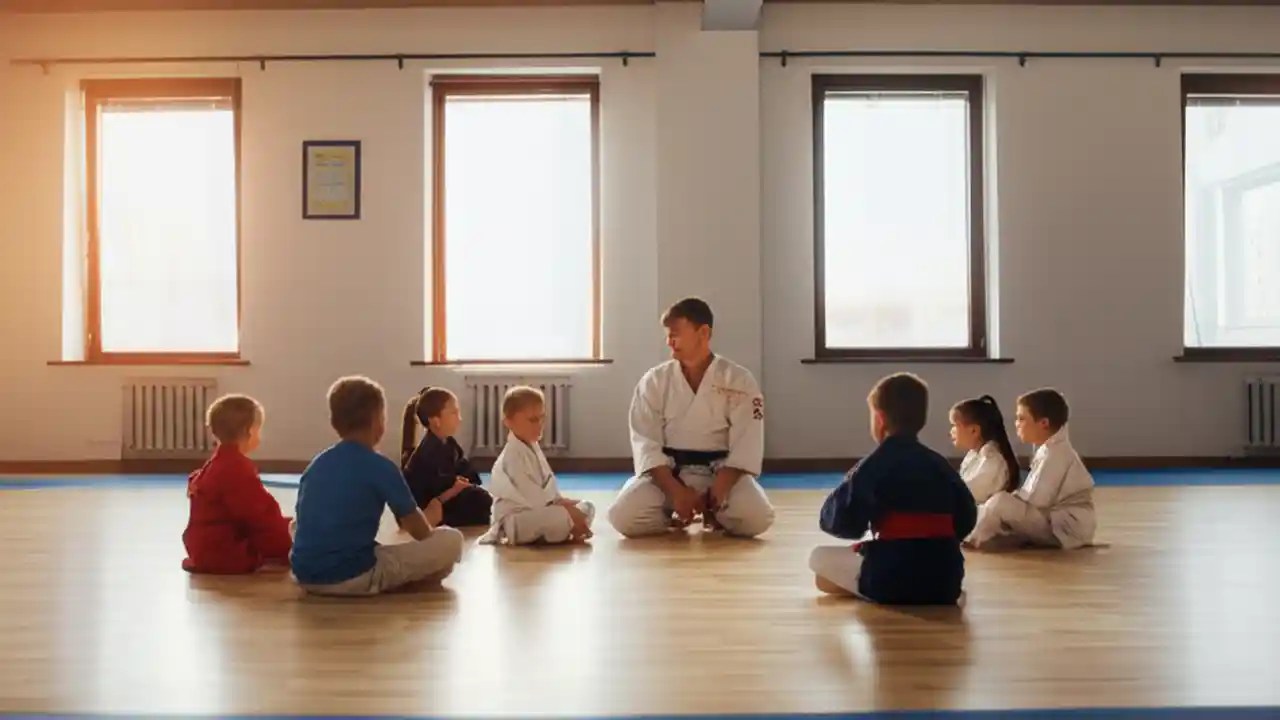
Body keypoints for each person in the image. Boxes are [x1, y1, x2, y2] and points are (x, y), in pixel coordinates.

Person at [607, 297, 774, 538]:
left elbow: (747, 442)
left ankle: (714, 514)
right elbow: (646, 442)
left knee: (757, 518)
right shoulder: (655, 381)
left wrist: (719, 491)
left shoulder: (739, 380)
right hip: (670, 474)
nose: (669, 341)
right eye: (667, 335)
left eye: (675, 334)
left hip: (721, 473)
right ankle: (676, 516)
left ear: (703, 333)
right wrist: (676, 493)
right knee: (623, 517)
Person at [809, 373, 977, 605]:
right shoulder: (940, 464)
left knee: (819, 561)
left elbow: (843, 523)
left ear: (880, 419)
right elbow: (967, 518)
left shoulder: (873, 465)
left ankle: (888, 589)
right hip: (946, 581)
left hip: (889, 577)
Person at [290, 376, 463, 596]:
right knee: (451, 540)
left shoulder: (316, 464)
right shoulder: (381, 466)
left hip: (305, 575)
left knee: (297, 525)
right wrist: (431, 527)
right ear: (378, 421)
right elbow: (419, 531)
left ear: (334, 422)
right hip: (354, 576)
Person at [966, 388, 1096, 551]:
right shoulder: (1049, 449)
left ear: (1043, 423)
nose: (1016, 424)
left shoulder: (1056, 454)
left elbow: (1038, 500)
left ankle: (974, 538)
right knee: (996, 505)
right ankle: (980, 535)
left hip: (1066, 528)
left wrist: (1008, 502)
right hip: (1057, 522)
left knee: (1000, 502)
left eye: (1021, 419)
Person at [181, 394, 292, 574]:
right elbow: (260, 517)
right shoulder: (235, 467)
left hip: (203, 548)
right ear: (250, 431)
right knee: (297, 533)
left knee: (290, 527)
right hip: (225, 552)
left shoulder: (217, 464)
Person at [479, 386, 594, 545]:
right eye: (532, 420)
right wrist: (567, 510)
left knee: (587, 506)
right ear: (508, 422)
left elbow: (548, 487)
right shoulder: (512, 456)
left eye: (542, 418)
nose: (539, 424)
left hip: (539, 511)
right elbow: (534, 501)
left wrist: (564, 502)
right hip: (517, 520)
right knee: (565, 515)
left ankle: (562, 527)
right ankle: (561, 528)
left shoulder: (533, 447)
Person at [400, 386, 493, 527]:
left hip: (450, 496)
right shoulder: (429, 451)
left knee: (484, 500)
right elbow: (435, 496)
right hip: (428, 508)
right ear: (436, 421)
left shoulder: (449, 443)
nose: (459, 419)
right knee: (480, 504)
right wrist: (456, 488)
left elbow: (467, 470)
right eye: (454, 413)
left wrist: (464, 481)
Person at [950, 395, 1021, 505]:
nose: (952, 431)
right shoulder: (973, 454)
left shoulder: (993, 461)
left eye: (955, 425)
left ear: (974, 430)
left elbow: (966, 495)